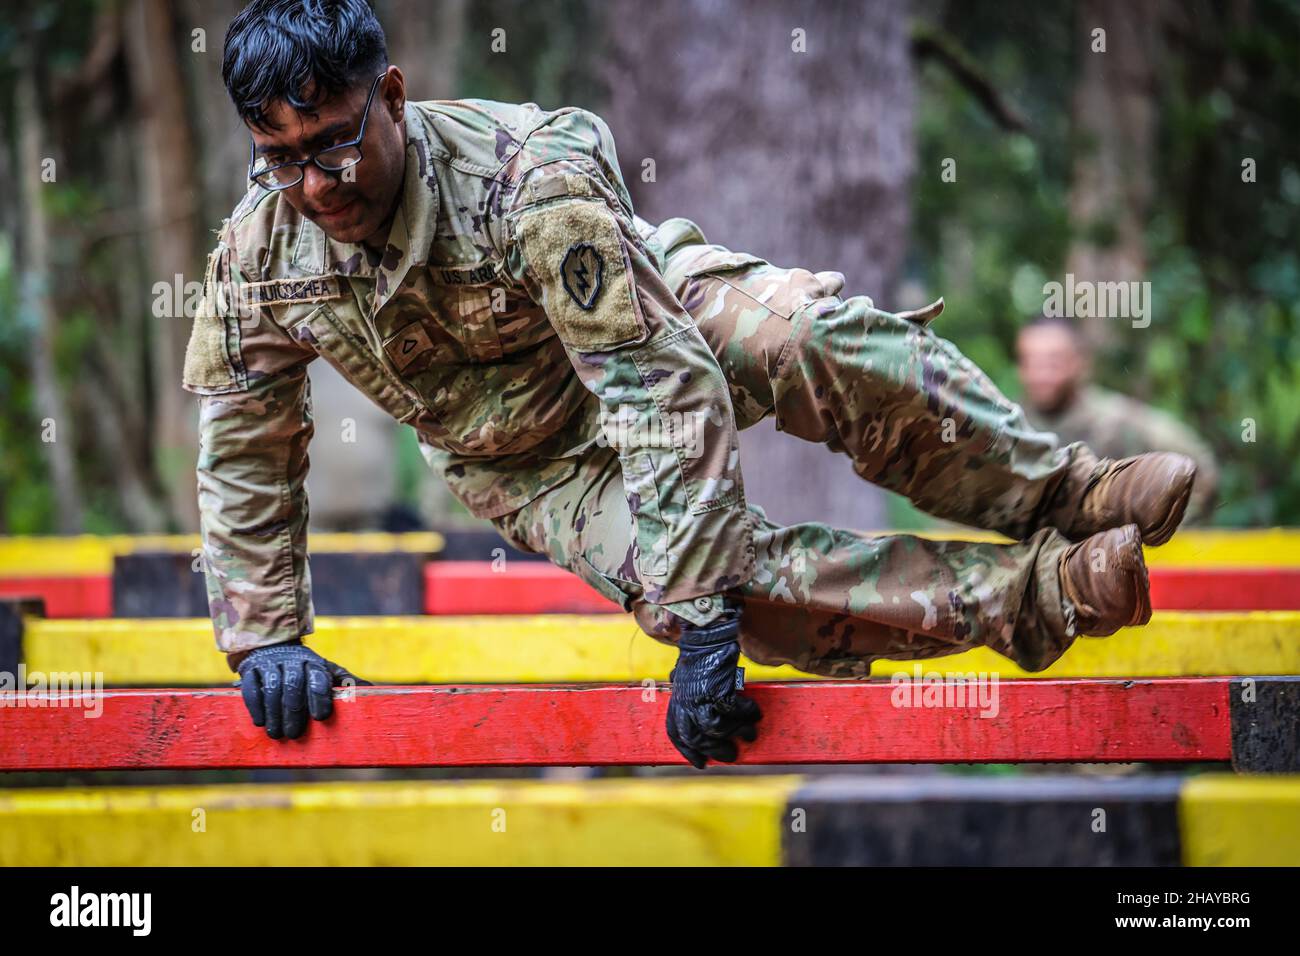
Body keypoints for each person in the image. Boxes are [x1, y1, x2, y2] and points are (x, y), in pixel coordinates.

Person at [184, 0, 1198, 767]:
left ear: (393, 97)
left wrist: (701, 614)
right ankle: (1047, 591)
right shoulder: (261, 252)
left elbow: (650, 381)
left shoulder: (527, 175)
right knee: (716, 584)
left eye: (337, 143)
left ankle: (1062, 491)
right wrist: (264, 636)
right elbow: (244, 443)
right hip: (528, 460)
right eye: (281, 158)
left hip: (651, 320)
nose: (317, 186)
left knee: (807, 339)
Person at [1016, 316, 1218, 521]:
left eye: (1053, 362)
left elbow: (1197, 467)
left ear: (1080, 363)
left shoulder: (1117, 421)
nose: (1041, 374)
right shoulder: (1010, 428)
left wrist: (1162, 534)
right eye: (1031, 362)